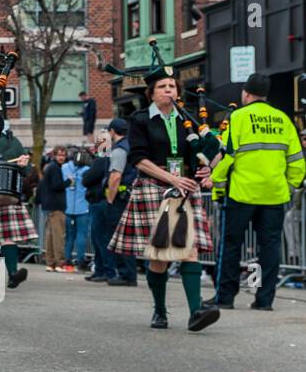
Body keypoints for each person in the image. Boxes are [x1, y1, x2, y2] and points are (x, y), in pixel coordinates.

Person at [107, 54, 220, 332]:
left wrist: (207, 170)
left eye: (172, 86)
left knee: (188, 249)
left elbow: (211, 153)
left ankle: (196, 312)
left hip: (184, 189)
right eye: (163, 87)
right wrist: (172, 178)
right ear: (152, 93)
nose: (169, 90)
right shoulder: (141, 119)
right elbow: (138, 158)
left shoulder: (189, 120)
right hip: (154, 187)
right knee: (159, 256)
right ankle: (160, 311)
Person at [209, 72, 303, 311]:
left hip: (242, 193)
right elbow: (297, 161)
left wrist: (217, 186)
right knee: (269, 248)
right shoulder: (283, 119)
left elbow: (226, 158)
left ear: (247, 94)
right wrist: (289, 187)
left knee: (231, 246)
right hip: (274, 194)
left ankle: (225, 297)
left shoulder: (238, 117)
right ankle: (263, 300)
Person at [0, 127, 38, 289]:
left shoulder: (12, 142)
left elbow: (27, 170)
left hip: (7, 195)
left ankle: (12, 275)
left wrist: (23, 166)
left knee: (6, 238)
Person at [103, 118, 138, 286]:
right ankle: (128, 273)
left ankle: (126, 274)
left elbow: (115, 176)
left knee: (119, 237)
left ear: (112, 132)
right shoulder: (130, 146)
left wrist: (110, 199)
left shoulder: (119, 150)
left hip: (120, 199)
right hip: (128, 197)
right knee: (127, 236)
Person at [82, 131, 117, 282]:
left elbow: (88, 179)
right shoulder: (109, 158)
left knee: (100, 238)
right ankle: (100, 270)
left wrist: (86, 176)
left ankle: (106, 271)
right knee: (100, 239)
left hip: (99, 201)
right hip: (102, 201)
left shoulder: (102, 159)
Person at [39, 146, 69, 272]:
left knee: (50, 236)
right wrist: (68, 182)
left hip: (49, 205)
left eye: (63, 155)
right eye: (59, 155)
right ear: (54, 155)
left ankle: (50, 263)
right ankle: (59, 263)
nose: (61, 157)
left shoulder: (49, 167)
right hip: (57, 206)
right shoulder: (56, 168)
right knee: (58, 236)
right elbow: (57, 185)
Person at [63, 148, 91, 271]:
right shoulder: (87, 170)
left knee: (69, 236)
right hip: (83, 207)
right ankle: (80, 260)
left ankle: (67, 259)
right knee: (81, 235)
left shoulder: (64, 168)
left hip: (67, 207)